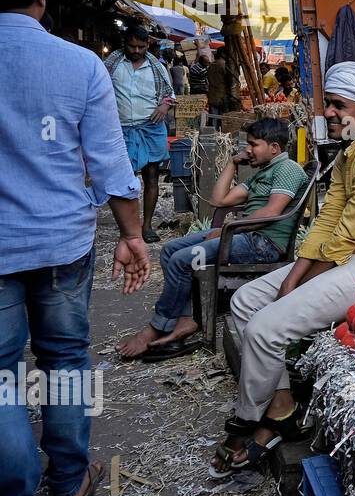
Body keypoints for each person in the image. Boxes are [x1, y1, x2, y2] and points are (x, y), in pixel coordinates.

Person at [0, 0, 152, 496]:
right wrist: (134, 235)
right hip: (63, 241)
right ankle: (68, 479)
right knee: (64, 359)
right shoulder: (81, 65)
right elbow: (111, 162)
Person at [212, 62, 355, 475]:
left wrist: (294, 284)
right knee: (244, 302)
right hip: (350, 256)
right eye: (327, 103)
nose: (328, 112)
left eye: (338, 105)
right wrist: (294, 277)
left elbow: (347, 233)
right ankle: (280, 409)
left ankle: (246, 421)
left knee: (265, 328)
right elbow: (329, 218)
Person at [118, 118, 308, 362]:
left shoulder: (288, 169)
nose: (248, 149)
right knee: (169, 250)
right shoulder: (264, 173)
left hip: (262, 244)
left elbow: (272, 213)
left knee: (180, 261)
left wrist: (231, 229)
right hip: (245, 234)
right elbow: (219, 200)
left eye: (254, 144)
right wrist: (231, 163)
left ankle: (158, 326)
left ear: (274, 148)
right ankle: (185, 319)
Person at [105, 26, 174, 242]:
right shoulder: (112, 63)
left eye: (141, 47)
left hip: (150, 128)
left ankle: (147, 226)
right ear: (124, 43)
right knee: (125, 179)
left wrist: (164, 106)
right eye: (132, 46)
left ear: (147, 45)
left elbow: (168, 93)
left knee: (152, 176)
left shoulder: (156, 66)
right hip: (121, 129)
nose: (136, 50)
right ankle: (129, 227)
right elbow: (98, 88)